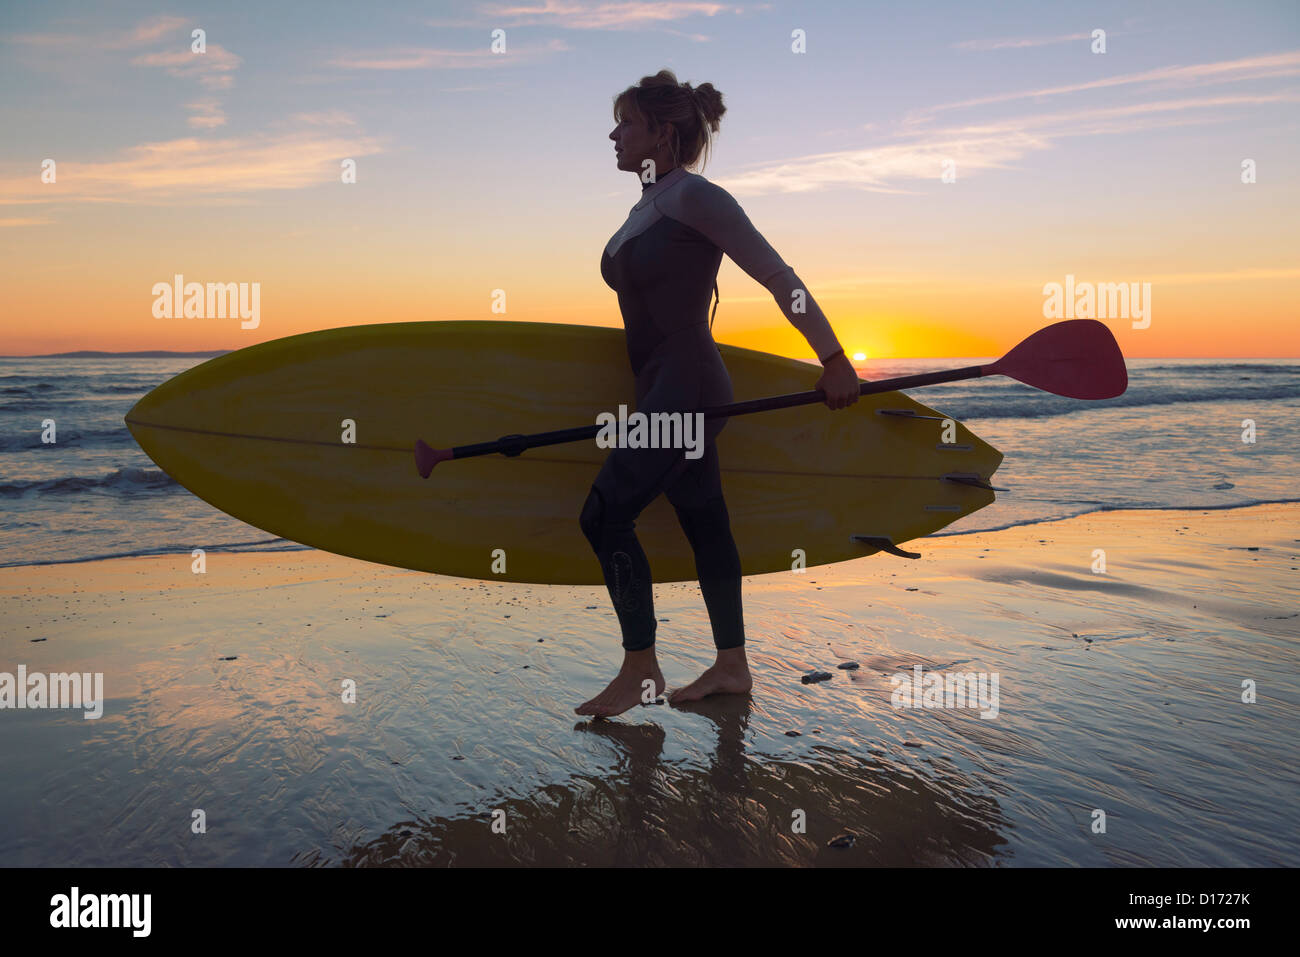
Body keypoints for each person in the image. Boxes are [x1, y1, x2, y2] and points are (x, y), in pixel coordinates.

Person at [575, 70, 860, 718]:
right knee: (704, 521)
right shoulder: (645, 205)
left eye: (626, 122)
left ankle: (640, 668)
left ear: (662, 133)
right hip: (663, 384)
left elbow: (775, 273)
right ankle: (731, 665)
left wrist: (835, 357)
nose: (613, 133)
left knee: (604, 513)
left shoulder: (697, 198)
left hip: (687, 386)